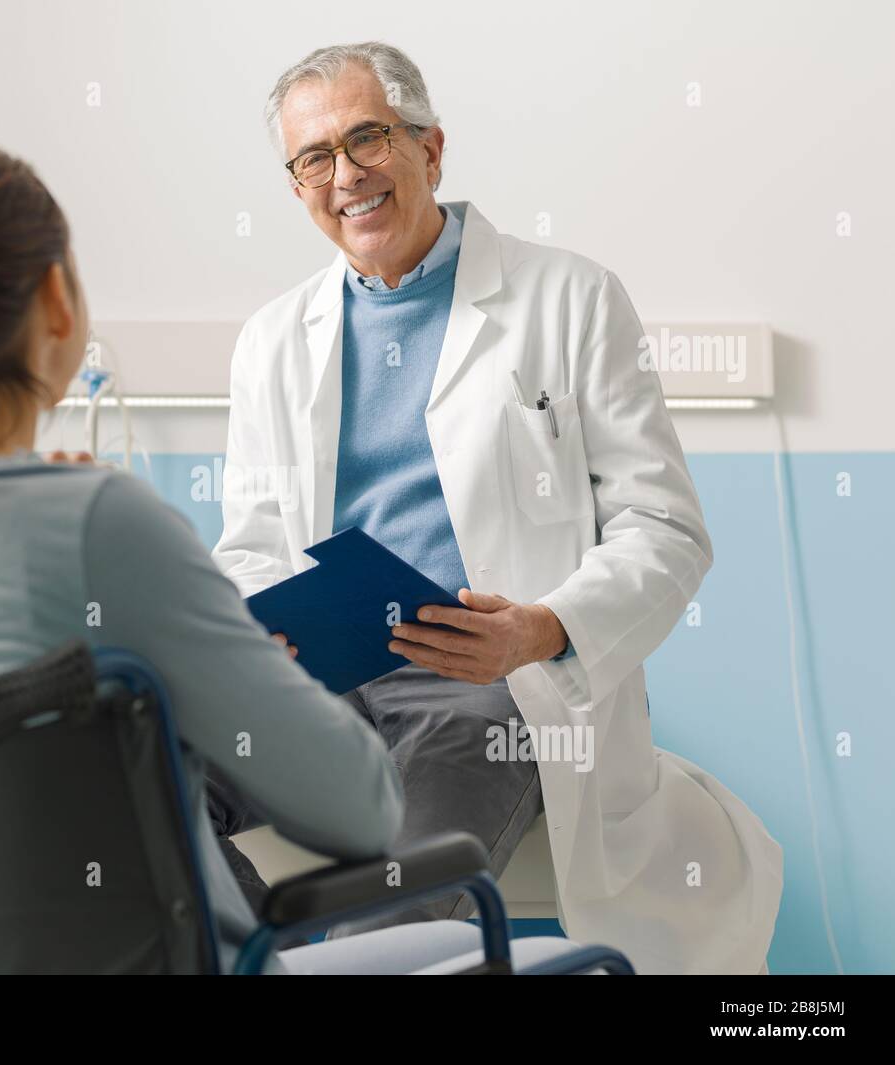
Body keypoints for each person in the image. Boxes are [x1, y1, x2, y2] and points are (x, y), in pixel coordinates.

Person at [0, 144, 489, 974]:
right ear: (55, 302)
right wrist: (236, 648)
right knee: (469, 941)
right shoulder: (107, 525)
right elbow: (359, 810)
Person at [210, 42, 782, 973]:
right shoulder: (271, 341)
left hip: (485, 690)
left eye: (368, 139)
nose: (345, 174)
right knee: (140, 788)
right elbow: (252, 548)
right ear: (297, 185)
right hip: (322, 690)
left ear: (430, 150)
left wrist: (542, 629)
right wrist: (260, 639)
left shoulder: (573, 298)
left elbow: (665, 529)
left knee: (390, 903)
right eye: (314, 157)